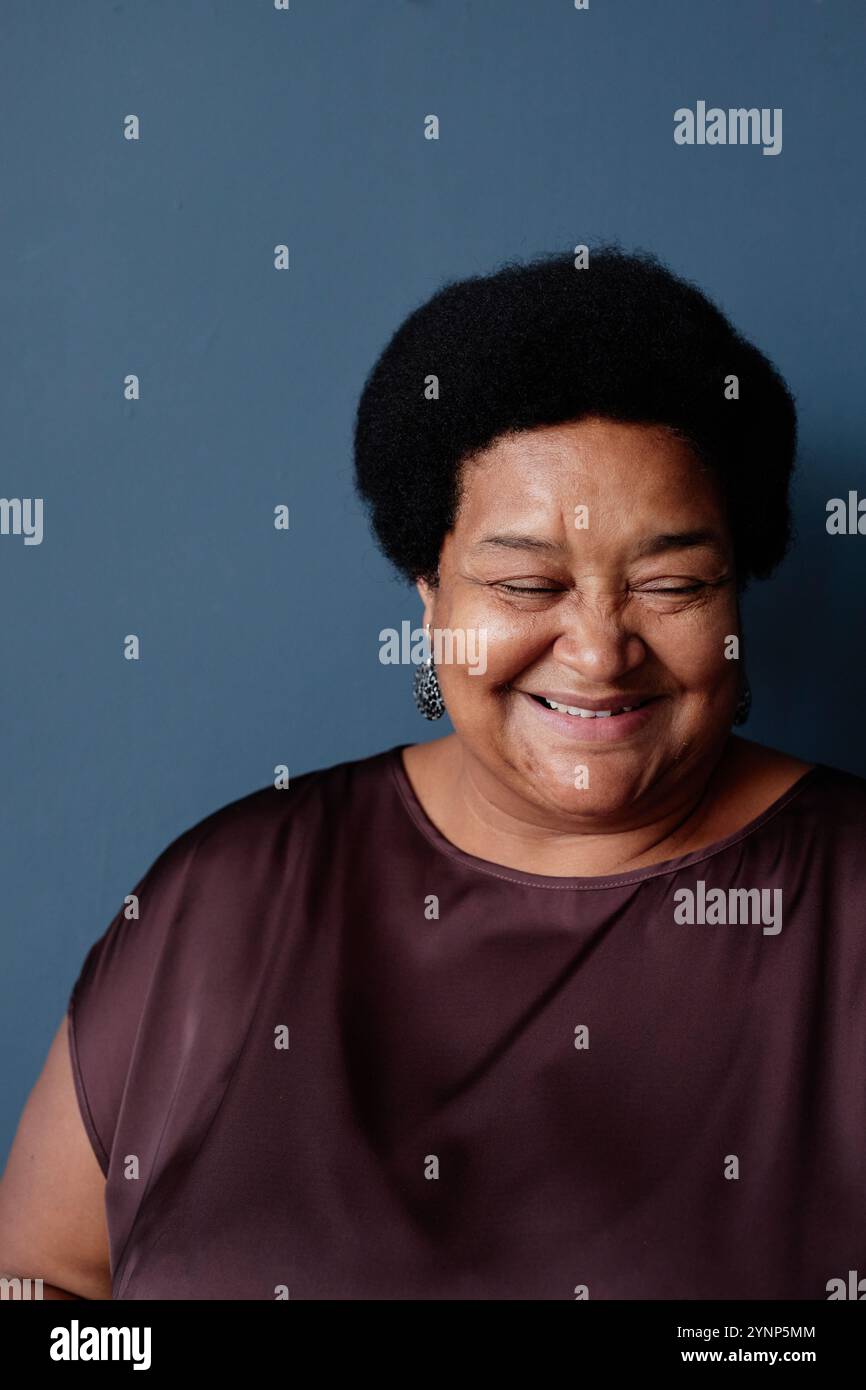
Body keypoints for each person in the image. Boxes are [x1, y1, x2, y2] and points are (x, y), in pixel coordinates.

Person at [2, 247, 864, 1300]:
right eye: (523, 583)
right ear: (429, 594)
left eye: (669, 583)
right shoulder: (224, 894)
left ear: (735, 597)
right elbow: (41, 1277)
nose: (597, 651)